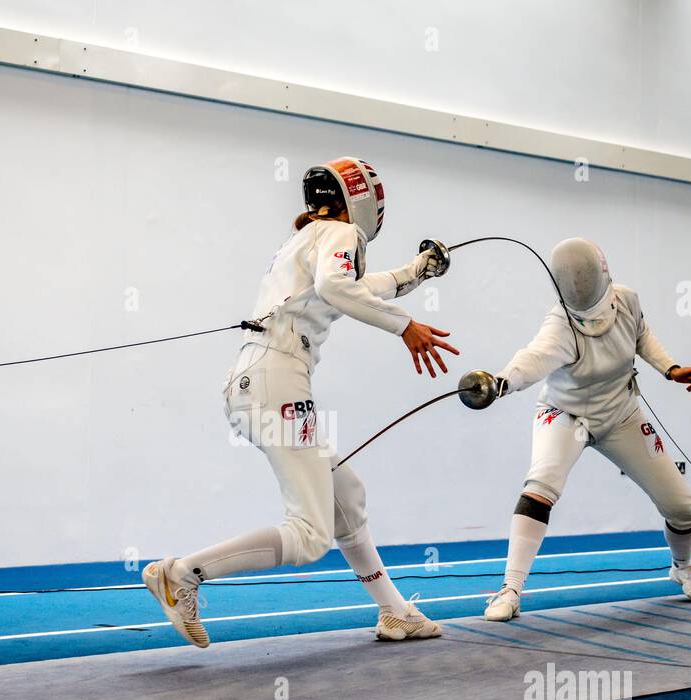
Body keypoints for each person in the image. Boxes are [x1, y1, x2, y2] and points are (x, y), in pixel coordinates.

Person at [143, 157, 457, 647]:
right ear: (360, 199)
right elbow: (339, 286)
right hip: (278, 381)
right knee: (310, 534)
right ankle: (182, 573)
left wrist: (417, 271)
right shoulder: (340, 233)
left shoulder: (306, 239)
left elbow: (350, 288)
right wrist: (405, 326)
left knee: (344, 498)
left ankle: (396, 613)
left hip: (258, 378)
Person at [483, 237, 691, 622]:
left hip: (621, 414)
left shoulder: (627, 300)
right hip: (566, 415)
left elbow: (641, 336)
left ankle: (682, 567)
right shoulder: (560, 325)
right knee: (541, 484)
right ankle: (510, 589)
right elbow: (532, 359)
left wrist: (668, 368)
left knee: (684, 508)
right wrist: (499, 381)